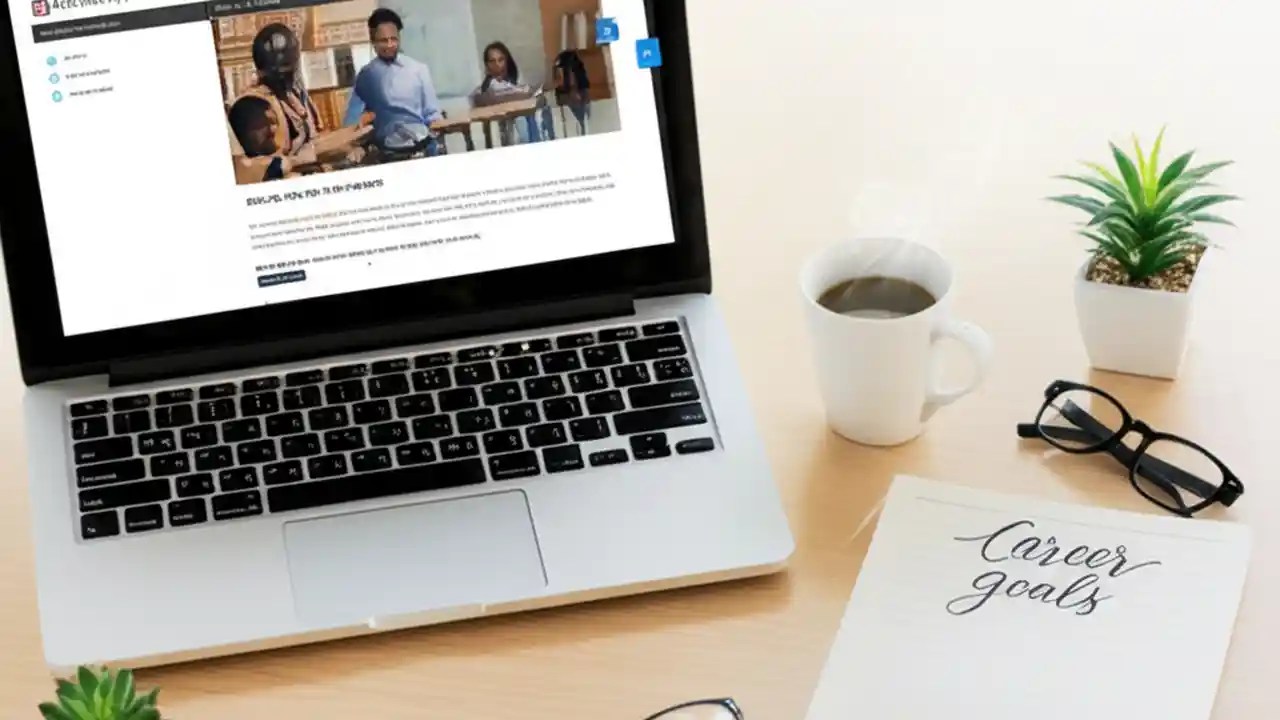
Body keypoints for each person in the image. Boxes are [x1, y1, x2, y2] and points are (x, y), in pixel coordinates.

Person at [343, 8, 444, 156]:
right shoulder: (367, 75)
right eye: (384, 40)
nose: (390, 45)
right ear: (373, 41)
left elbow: (433, 113)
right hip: (387, 151)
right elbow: (351, 119)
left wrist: (436, 134)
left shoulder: (418, 70)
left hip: (422, 144)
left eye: (394, 39)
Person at [233, 23, 321, 164]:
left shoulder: (297, 95)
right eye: (278, 70)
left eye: (287, 68)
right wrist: (297, 161)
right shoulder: (253, 105)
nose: (283, 76)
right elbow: (257, 166)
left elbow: (317, 140)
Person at [469, 41, 543, 145]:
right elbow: (480, 98)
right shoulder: (486, 88)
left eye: (501, 60)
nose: (497, 64)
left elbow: (531, 93)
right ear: (487, 64)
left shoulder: (516, 82)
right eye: (492, 61)